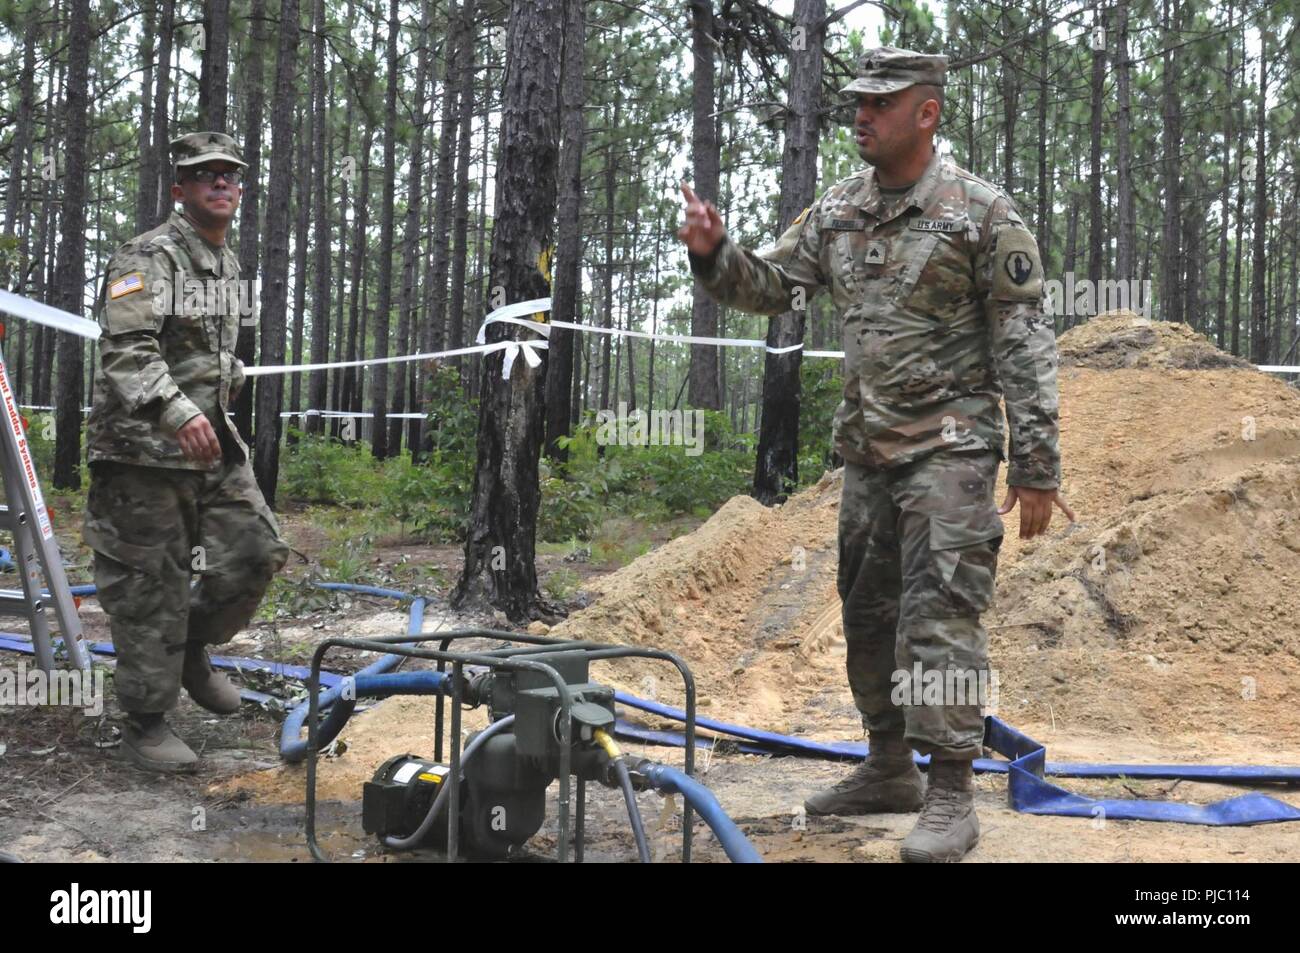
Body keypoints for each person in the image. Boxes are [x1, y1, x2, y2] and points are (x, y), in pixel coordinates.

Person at [678, 47, 1074, 862]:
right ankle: (889, 765)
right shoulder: (838, 212)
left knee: (941, 618)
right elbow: (772, 288)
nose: (860, 114)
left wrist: (1035, 466)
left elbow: (1026, 346)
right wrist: (715, 252)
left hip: (952, 452)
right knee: (867, 616)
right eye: (856, 101)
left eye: (879, 103)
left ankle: (954, 791)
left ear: (925, 114)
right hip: (868, 452)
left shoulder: (982, 215)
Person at [83, 131, 290, 773]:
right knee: (151, 583)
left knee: (254, 552)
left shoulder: (224, 263)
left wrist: (226, 374)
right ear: (181, 190)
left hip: (210, 443)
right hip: (142, 450)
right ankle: (145, 723)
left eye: (230, 175)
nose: (221, 184)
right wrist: (175, 408)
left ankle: (194, 645)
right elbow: (126, 350)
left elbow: (197, 350)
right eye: (206, 176)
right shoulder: (147, 256)